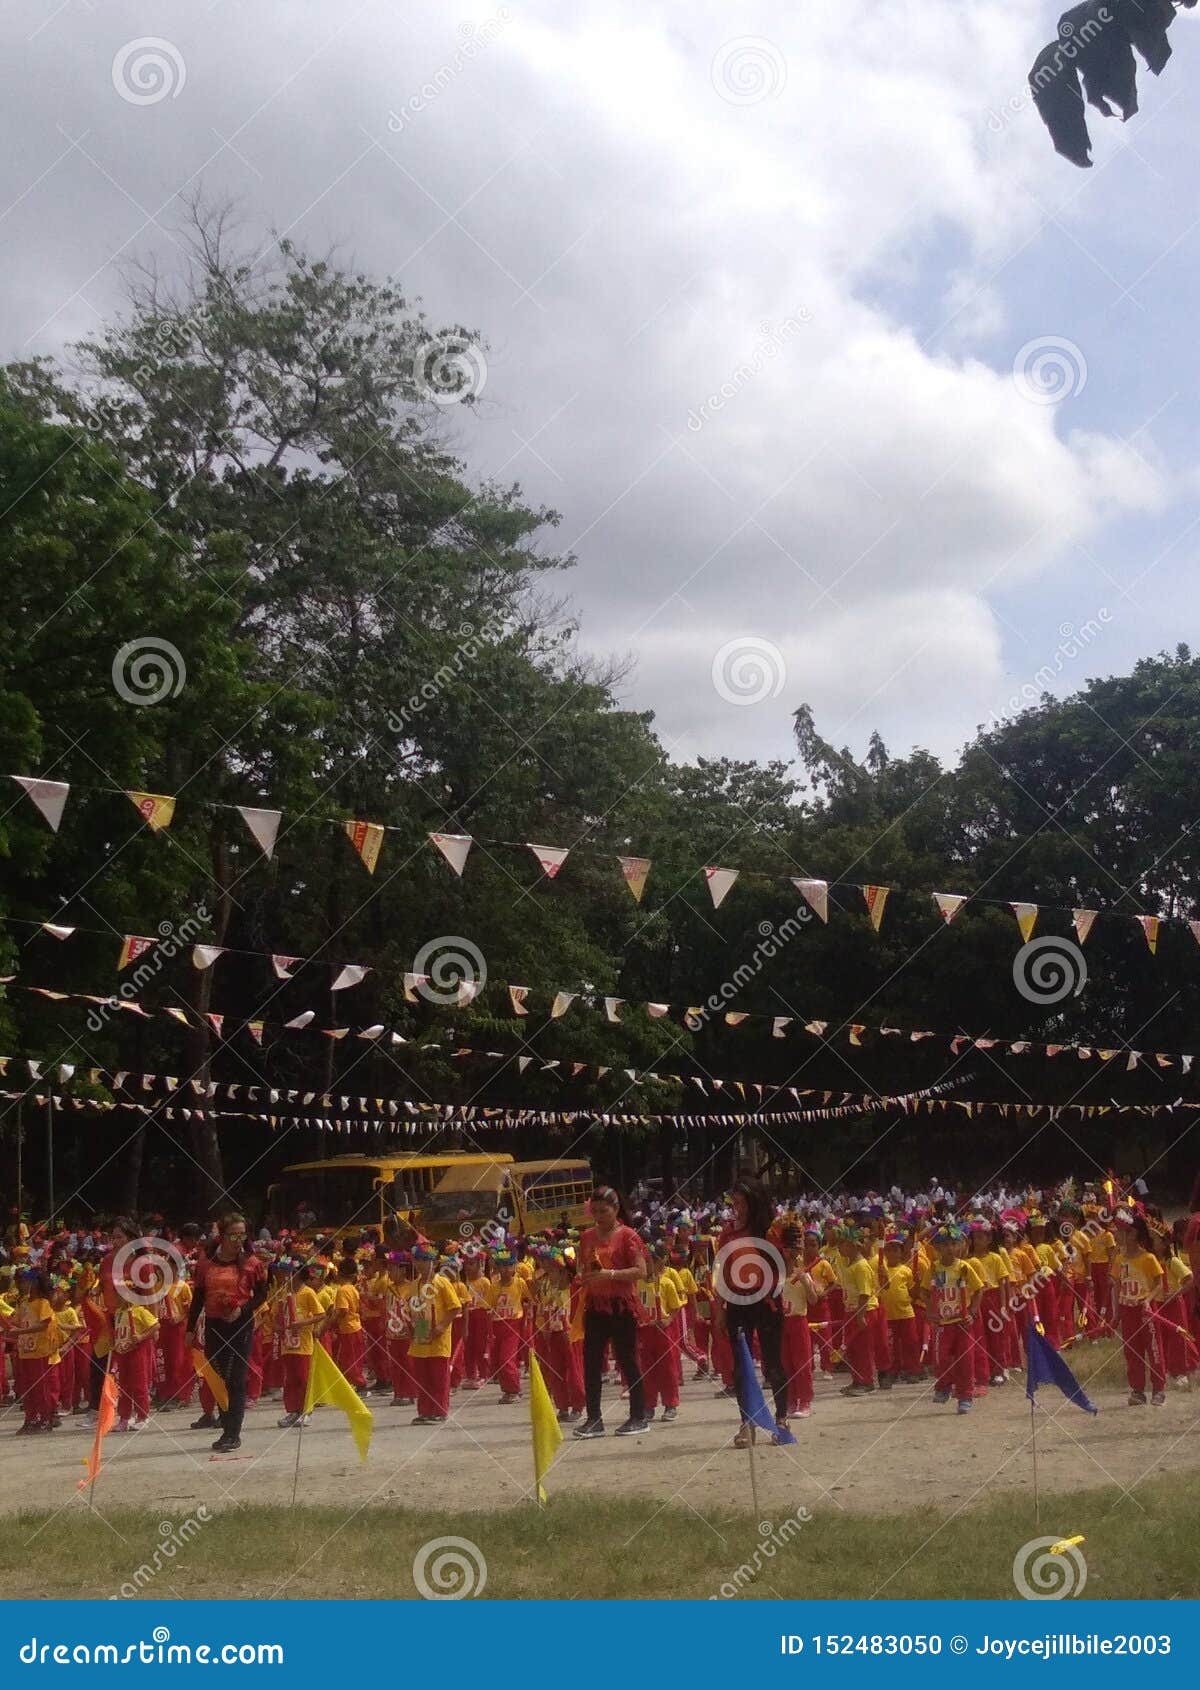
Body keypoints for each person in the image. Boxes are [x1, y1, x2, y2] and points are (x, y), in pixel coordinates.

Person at [713, 1176, 789, 1447]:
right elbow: (721, 1272)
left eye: (741, 1203)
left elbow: (784, 1267)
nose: (737, 1209)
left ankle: (781, 1419)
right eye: (734, 1203)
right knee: (741, 1366)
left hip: (767, 1302)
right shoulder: (728, 1232)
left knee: (773, 1364)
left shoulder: (772, 1230)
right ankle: (747, 1423)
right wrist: (720, 1309)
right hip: (736, 1303)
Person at [185, 1213, 268, 1451]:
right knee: (217, 1375)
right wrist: (190, 1329)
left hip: (240, 1325)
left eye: (242, 1234)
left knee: (236, 1378)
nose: (238, 1239)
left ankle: (232, 1433)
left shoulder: (252, 1263)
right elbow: (198, 1297)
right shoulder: (205, 1264)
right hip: (214, 1324)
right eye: (233, 1234)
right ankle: (226, 1422)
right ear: (222, 1236)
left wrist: (241, 1310)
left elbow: (261, 1295)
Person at [573, 1184, 647, 1439]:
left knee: (627, 1360)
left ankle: (638, 1414)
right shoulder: (586, 1237)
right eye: (594, 1212)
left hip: (621, 1306)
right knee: (591, 1362)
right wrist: (586, 1278)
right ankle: (594, 1418)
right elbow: (584, 1269)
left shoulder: (628, 1236)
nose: (599, 1216)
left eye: (604, 1211)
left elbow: (641, 1271)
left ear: (615, 1209)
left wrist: (610, 1274)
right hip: (595, 1306)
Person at [1114, 1208, 1165, 1407]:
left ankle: (1159, 1389)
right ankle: (1137, 1390)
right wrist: (1116, 1315)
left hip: (1146, 1311)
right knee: (1132, 1351)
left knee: (1154, 1349)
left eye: (1128, 1232)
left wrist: (1148, 1299)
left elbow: (1159, 1283)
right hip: (1128, 1311)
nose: (1123, 1236)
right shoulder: (1119, 1259)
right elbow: (1117, 1287)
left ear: (1136, 1235)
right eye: (1122, 1232)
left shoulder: (1148, 1258)